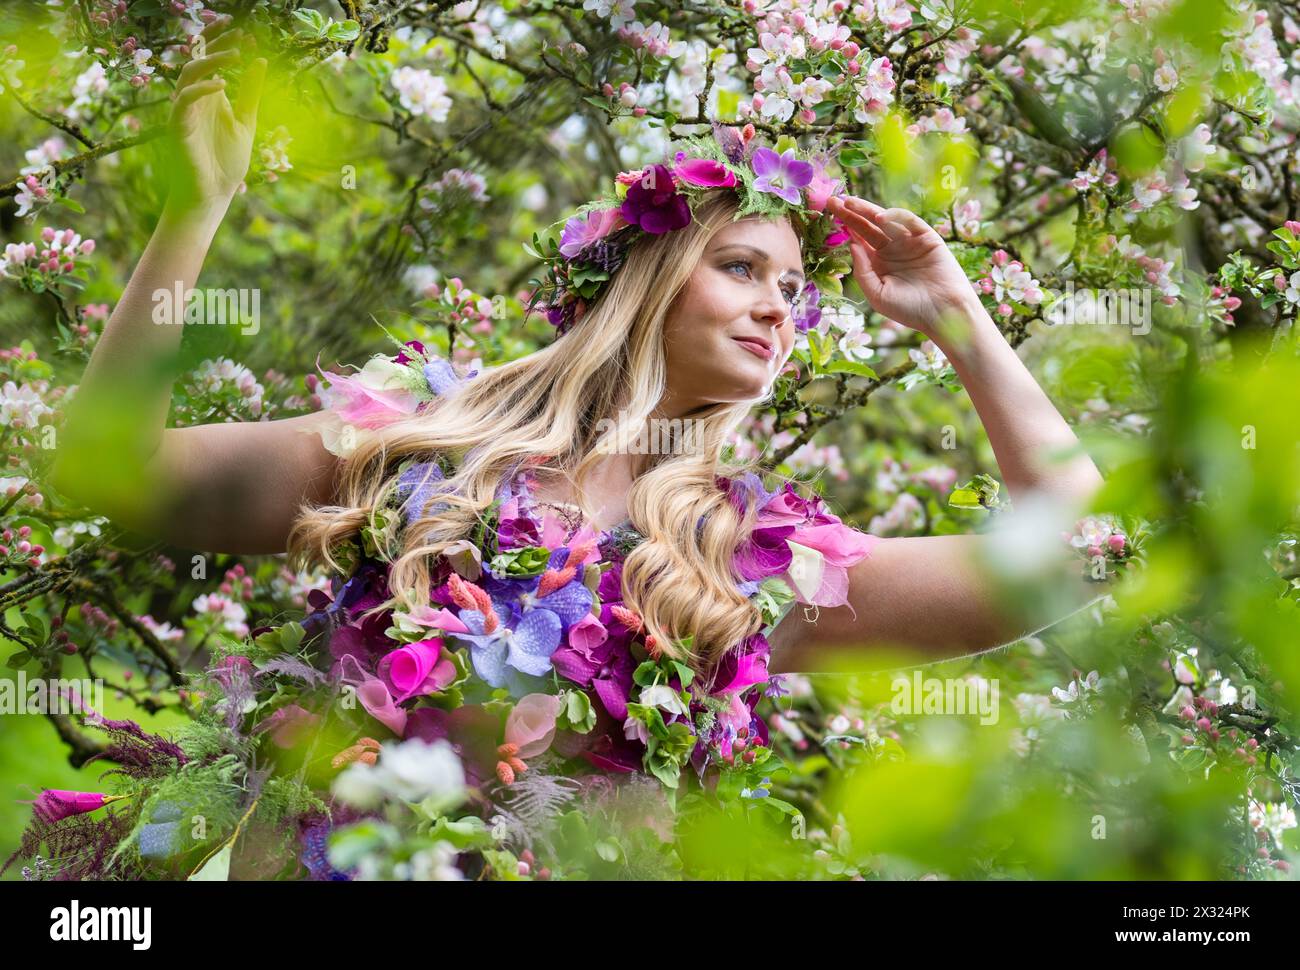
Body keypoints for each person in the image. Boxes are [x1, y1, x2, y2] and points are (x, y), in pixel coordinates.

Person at [48, 16, 1106, 781]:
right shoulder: (418, 444)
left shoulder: (755, 554)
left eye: (795, 289)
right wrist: (193, 215)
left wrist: (960, 316)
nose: (781, 309)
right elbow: (110, 476)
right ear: (645, 282)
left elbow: (1082, 550)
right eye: (741, 268)